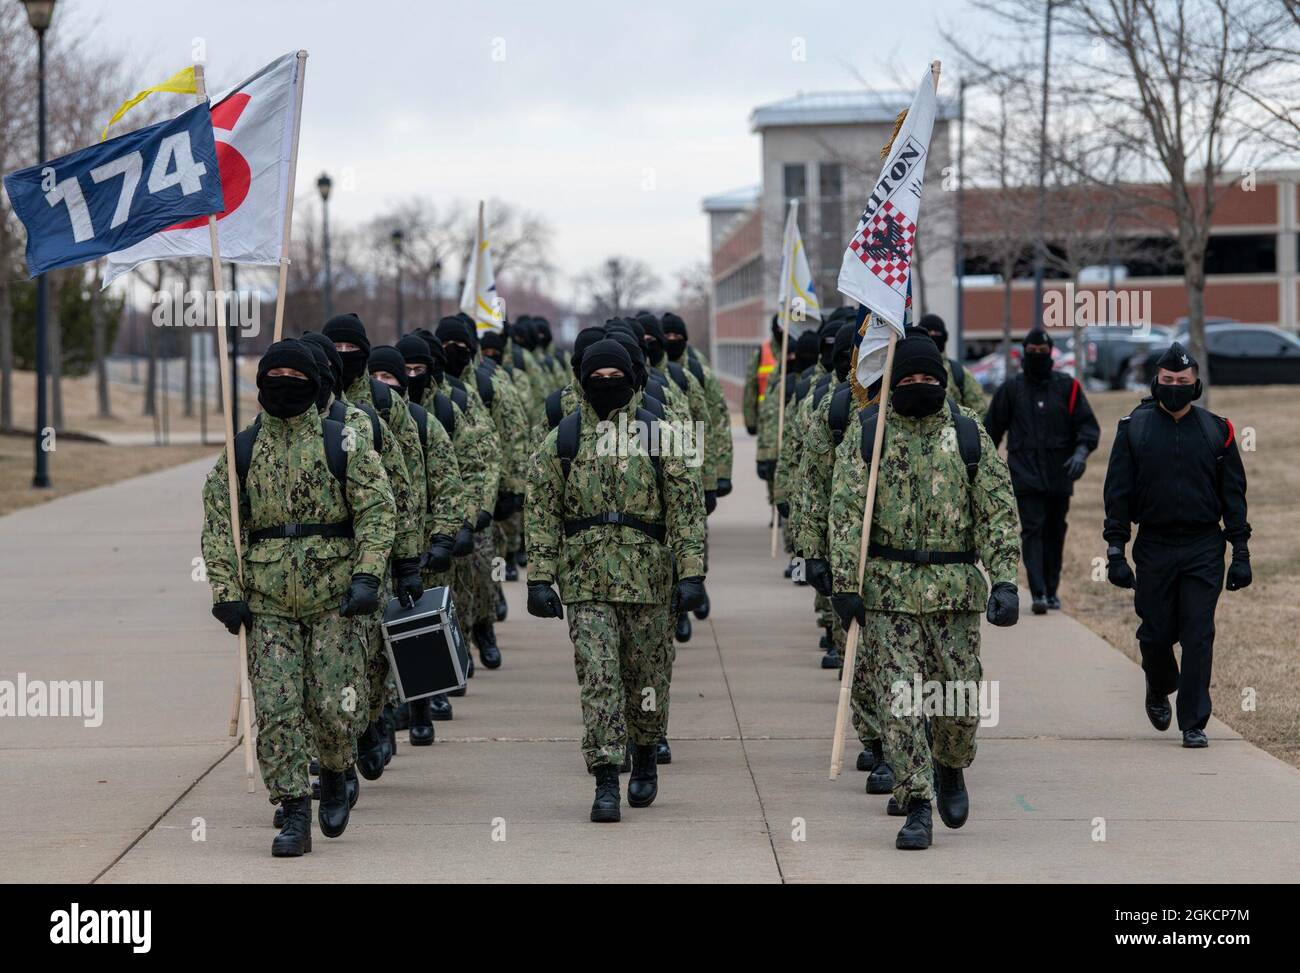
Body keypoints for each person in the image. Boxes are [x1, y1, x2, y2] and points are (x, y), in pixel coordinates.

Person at [201, 339, 395, 857]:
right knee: (278, 709)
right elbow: (221, 524)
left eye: (294, 374)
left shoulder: (346, 441)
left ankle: (335, 771)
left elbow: (378, 511)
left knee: (332, 706)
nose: (284, 382)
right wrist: (226, 590)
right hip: (266, 604)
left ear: (314, 383)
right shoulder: (240, 450)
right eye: (275, 373)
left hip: (335, 599)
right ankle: (292, 809)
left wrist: (368, 575)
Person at [829, 333, 1020, 850]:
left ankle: (951, 765)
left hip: (954, 594)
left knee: (958, 698)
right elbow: (846, 514)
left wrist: (1004, 579)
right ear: (894, 382)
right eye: (908, 378)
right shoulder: (868, 433)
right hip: (888, 593)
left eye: (928, 378)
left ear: (942, 380)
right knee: (901, 702)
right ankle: (916, 804)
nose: (919, 385)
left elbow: (998, 512)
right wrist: (844, 585)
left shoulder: (966, 433)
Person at [526, 340, 707, 822]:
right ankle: (606, 776)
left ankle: (645, 753)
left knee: (647, 678)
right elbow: (542, 511)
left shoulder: (661, 436)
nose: (607, 383)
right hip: (585, 581)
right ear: (583, 382)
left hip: (648, 580)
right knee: (598, 676)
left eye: (615, 375)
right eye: (597, 375)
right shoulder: (561, 439)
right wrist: (539, 578)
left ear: (633, 378)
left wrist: (692, 575)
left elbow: (687, 512)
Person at [1102, 342, 1250, 749]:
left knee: (1198, 633)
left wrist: (1240, 553)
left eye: (1182, 382)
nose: (1174, 387)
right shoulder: (1134, 428)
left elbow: (1234, 496)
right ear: (1156, 382)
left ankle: (1193, 721)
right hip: (1155, 544)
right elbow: (1117, 493)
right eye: (1167, 381)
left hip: (1204, 545)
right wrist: (1115, 550)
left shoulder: (1217, 430)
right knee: (1155, 633)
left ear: (1196, 385)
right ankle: (1158, 684)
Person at [984, 328, 1100, 614]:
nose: (1037, 357)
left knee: (1055, 531)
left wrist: (1081, 453)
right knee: (1033, 529)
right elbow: (990, 432)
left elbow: (1088, 426)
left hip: (1060, 473)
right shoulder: (1011, 389)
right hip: (1025, 473)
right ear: (1024, 354)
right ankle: (1037, 593)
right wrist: (986, 468)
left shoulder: (1068, 387)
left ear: (1051, 353)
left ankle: (1051, 590)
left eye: (1042, 352)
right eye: (1032, 352)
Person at [918, 313, 985, 415]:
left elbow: (979, 409)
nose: (932, 335)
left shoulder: (958, 372)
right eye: (928, 332)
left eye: (936, 332)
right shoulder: (908, 370)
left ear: (944, 337)